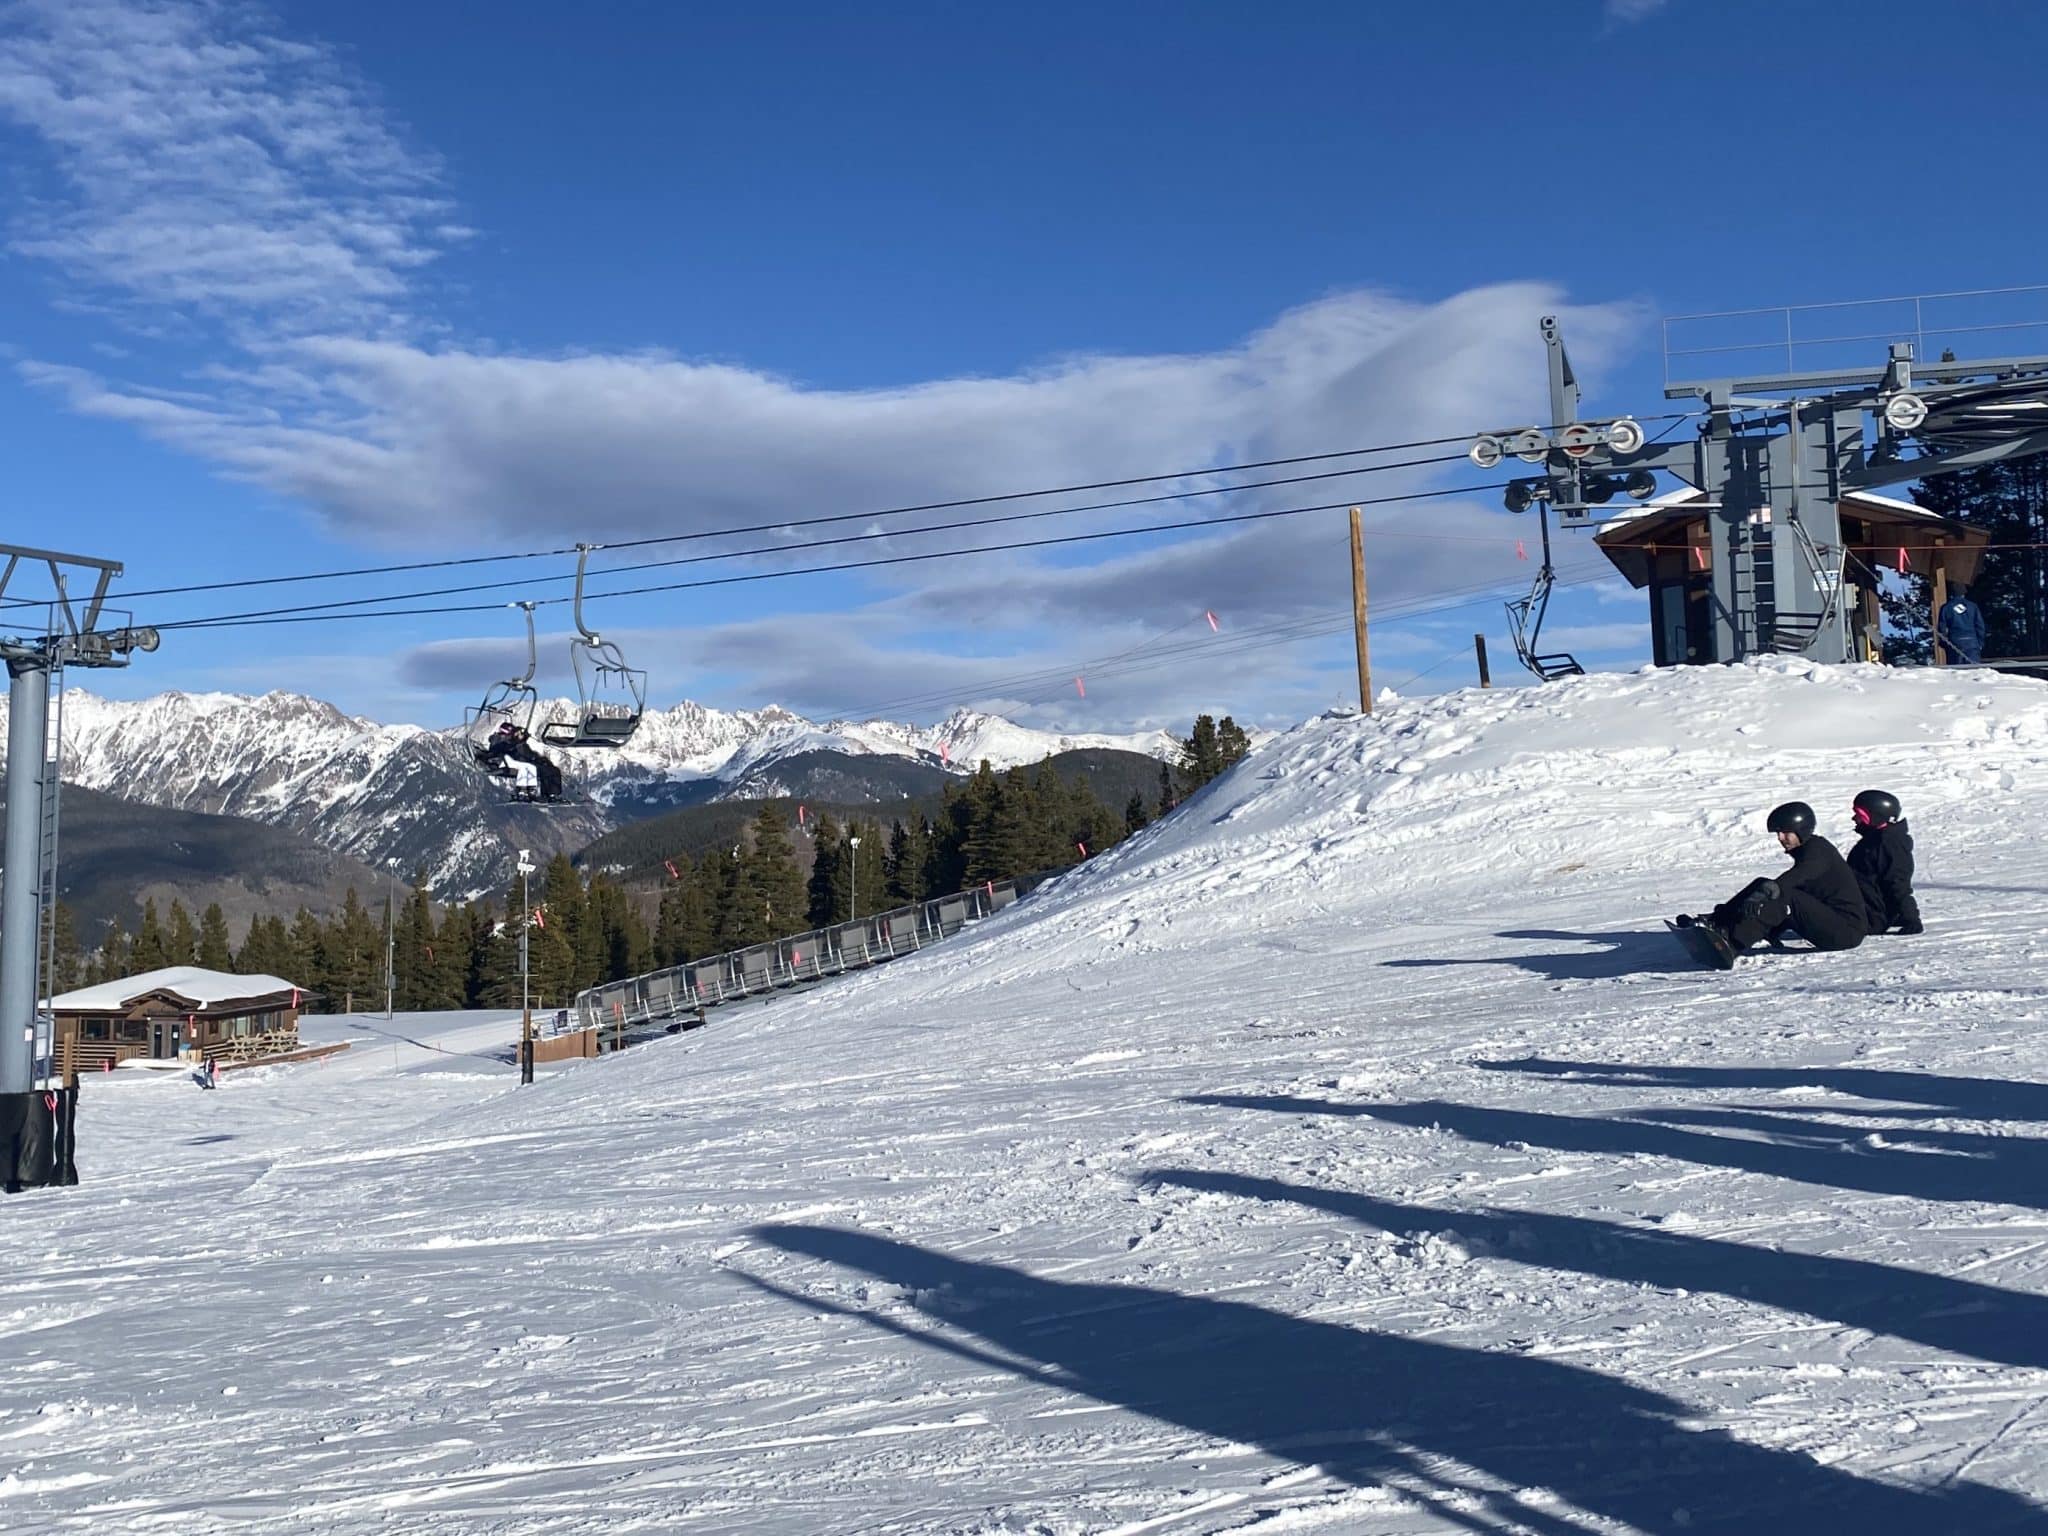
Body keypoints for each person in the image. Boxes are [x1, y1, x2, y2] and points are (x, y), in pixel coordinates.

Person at [1680, 801, 1868, 953]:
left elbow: (1797, 877)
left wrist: (1767, 892)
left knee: (1784, 893)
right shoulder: (1809, 849)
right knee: (1764, 884)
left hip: (1845, 932)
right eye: (1778, 833)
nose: (1780, 837)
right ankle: (1716, 922)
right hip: (1830, 922)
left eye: (1785, 832)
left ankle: (1732, 941)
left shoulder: (1817, 853)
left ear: (1801, 830)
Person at [1846, 789, 1922, 935]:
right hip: (1862, 909)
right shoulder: (1874, 841)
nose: (1854, 819)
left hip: (1868, 918)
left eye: (1859, 815)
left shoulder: (1889, 844)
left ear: (1874, 817)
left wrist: (1911, 918)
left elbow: (1897, 881)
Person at [1937, 583, 1987, 665]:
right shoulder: (1972, 606)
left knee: (1956, 671)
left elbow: (1942, 628)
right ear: (1964, 593)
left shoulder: (1946, 607)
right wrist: (1980, 643)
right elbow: (1980, 626)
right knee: (1974, 670)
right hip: (1972, 642)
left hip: (1954, 642)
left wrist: (1944, 644)